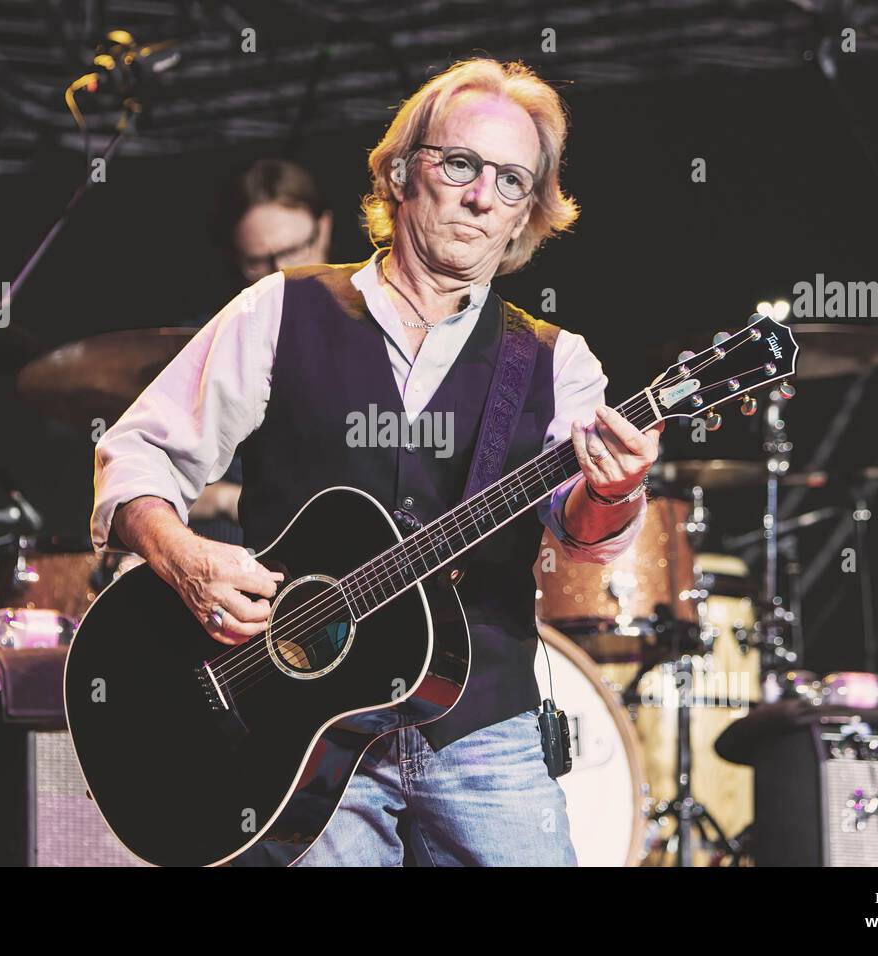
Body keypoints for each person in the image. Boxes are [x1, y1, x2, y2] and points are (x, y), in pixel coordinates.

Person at [91, 57, 663, 866]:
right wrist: (181, 556)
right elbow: (135, 452)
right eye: (460, 164)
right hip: (293, 728)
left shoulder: (556, 361)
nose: (478, 197)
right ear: (400, 172)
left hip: (481, 735)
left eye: (510, 182)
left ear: (525, 216)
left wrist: (617, 490)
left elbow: (582, 538)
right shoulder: (281, 310)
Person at [187, 159, 337, 544]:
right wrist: (223, 500)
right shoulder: (211, 340)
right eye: (257, 261)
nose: (277, 272)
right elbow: (152, 481)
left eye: (292, 251)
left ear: (324, 230)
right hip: (226, 559)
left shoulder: (368, 333)